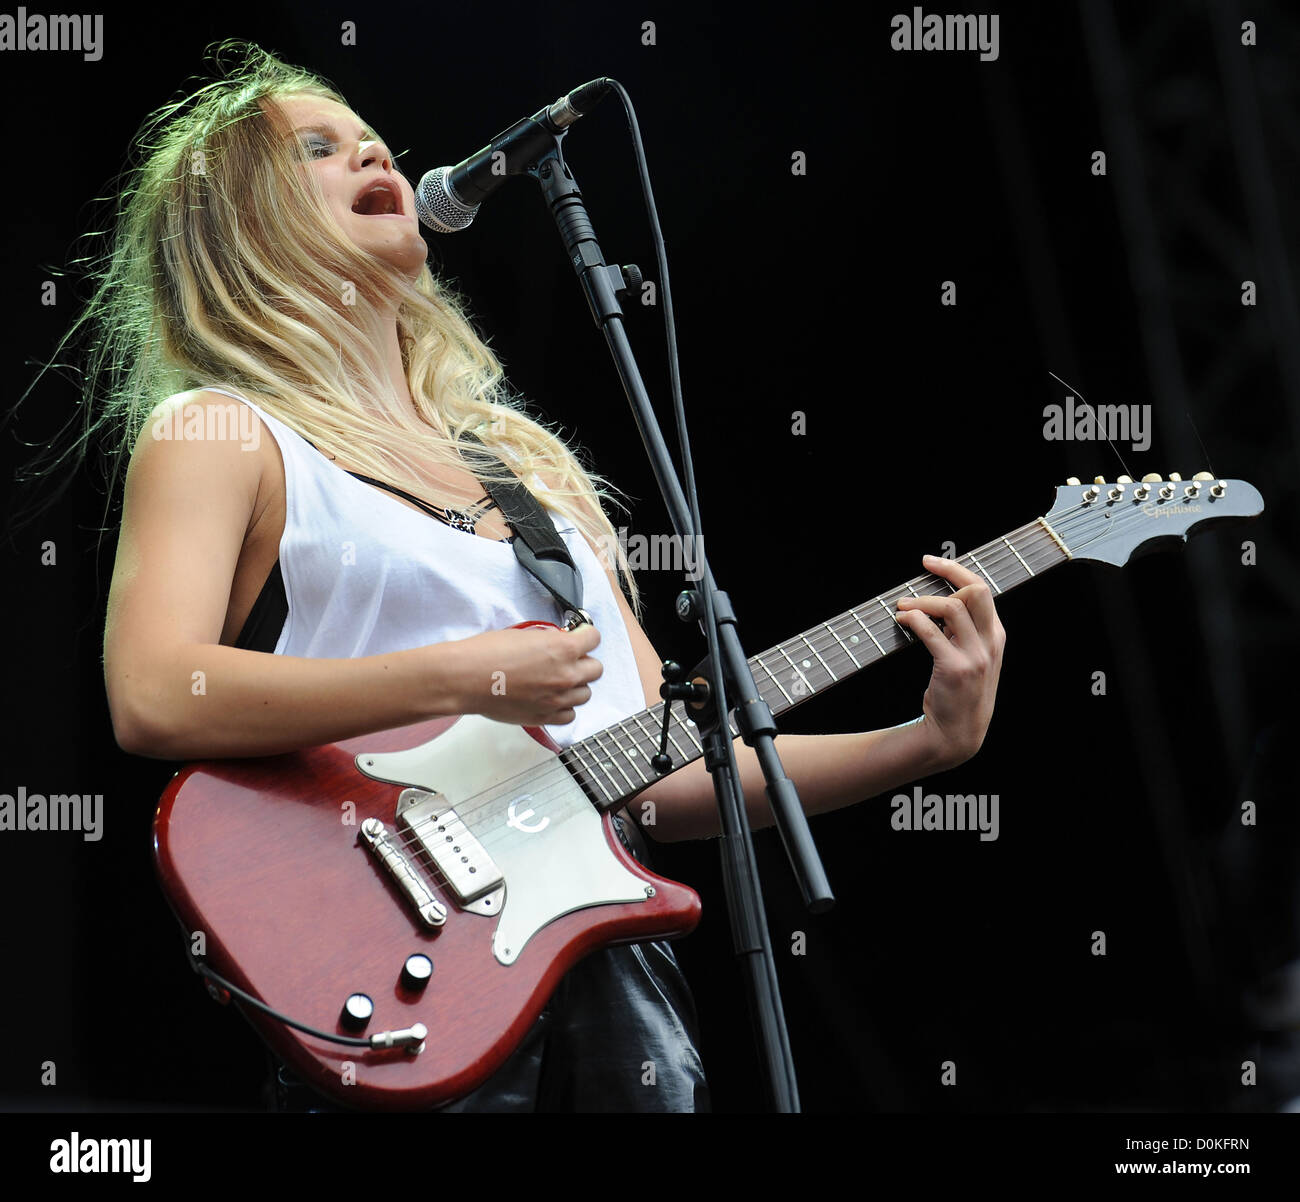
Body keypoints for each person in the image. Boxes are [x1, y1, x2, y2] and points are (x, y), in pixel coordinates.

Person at [59, 42, 1005, 1111]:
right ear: (234, 229)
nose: (369, 149)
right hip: (388, 962)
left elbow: (651, 771)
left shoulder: (530, 469)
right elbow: (151, 693)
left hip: (604, 968)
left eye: (368, 135)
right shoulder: (224, 430)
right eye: (314, 149)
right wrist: (463, 677)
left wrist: (925, 741)